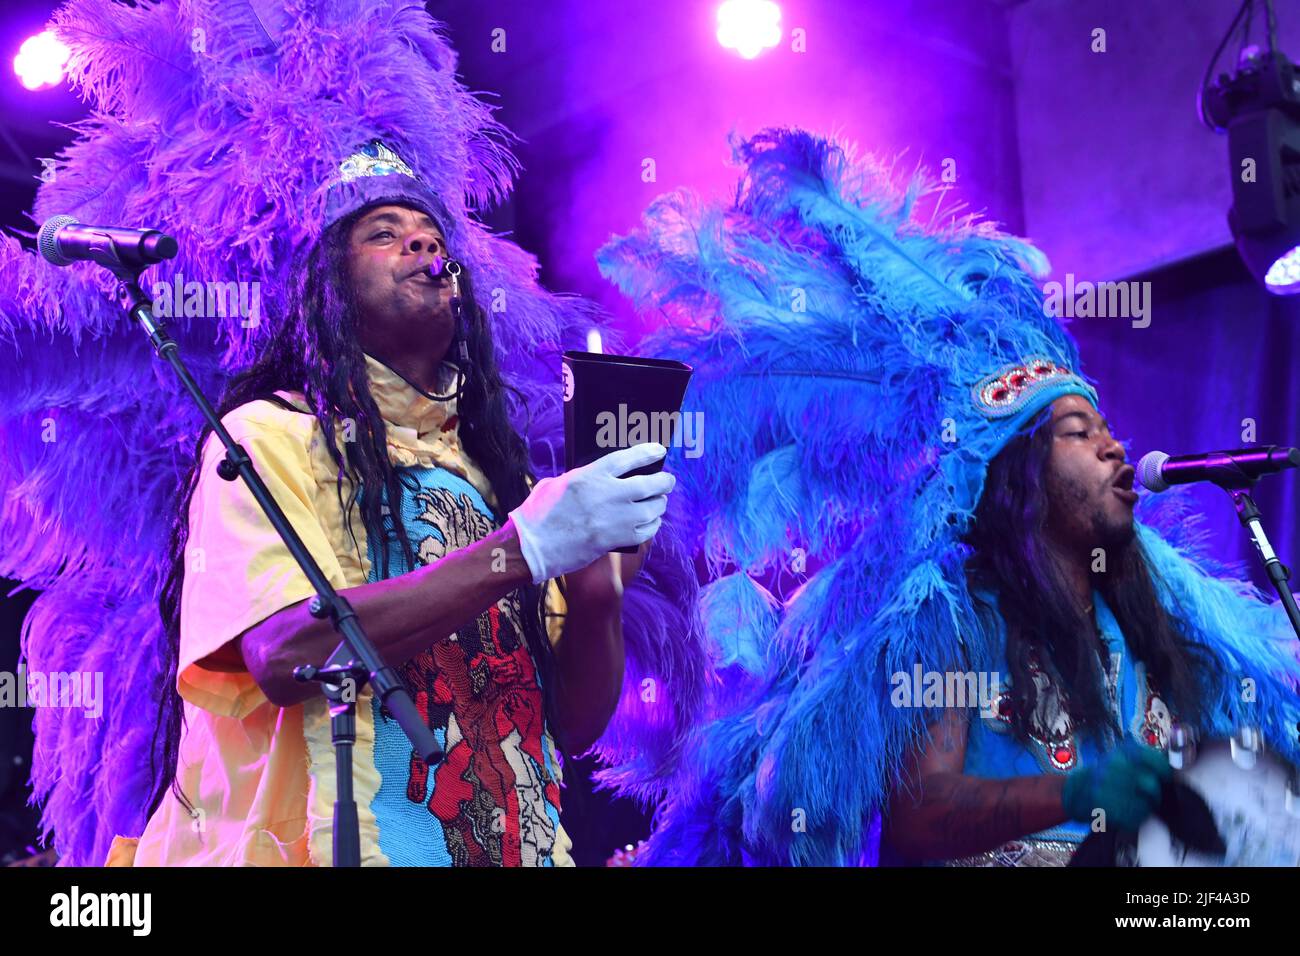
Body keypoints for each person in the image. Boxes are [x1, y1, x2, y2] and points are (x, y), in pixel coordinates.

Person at [596, 126, 1300, 866]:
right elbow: (917, 816)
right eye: (1076, 431)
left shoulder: (1157, 617)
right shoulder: (956, 615)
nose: (1113, 447)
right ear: (1017, 476)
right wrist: (1075, 796)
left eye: (1105, 430)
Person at [102, 150, 675, 867]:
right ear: (330, 287)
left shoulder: (496, 483)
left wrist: (598, 594)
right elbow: (284, 654)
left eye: (434, 237)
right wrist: (518, 551)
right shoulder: (268, 436)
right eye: (383, 232)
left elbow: (571, 726)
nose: (424, 244)